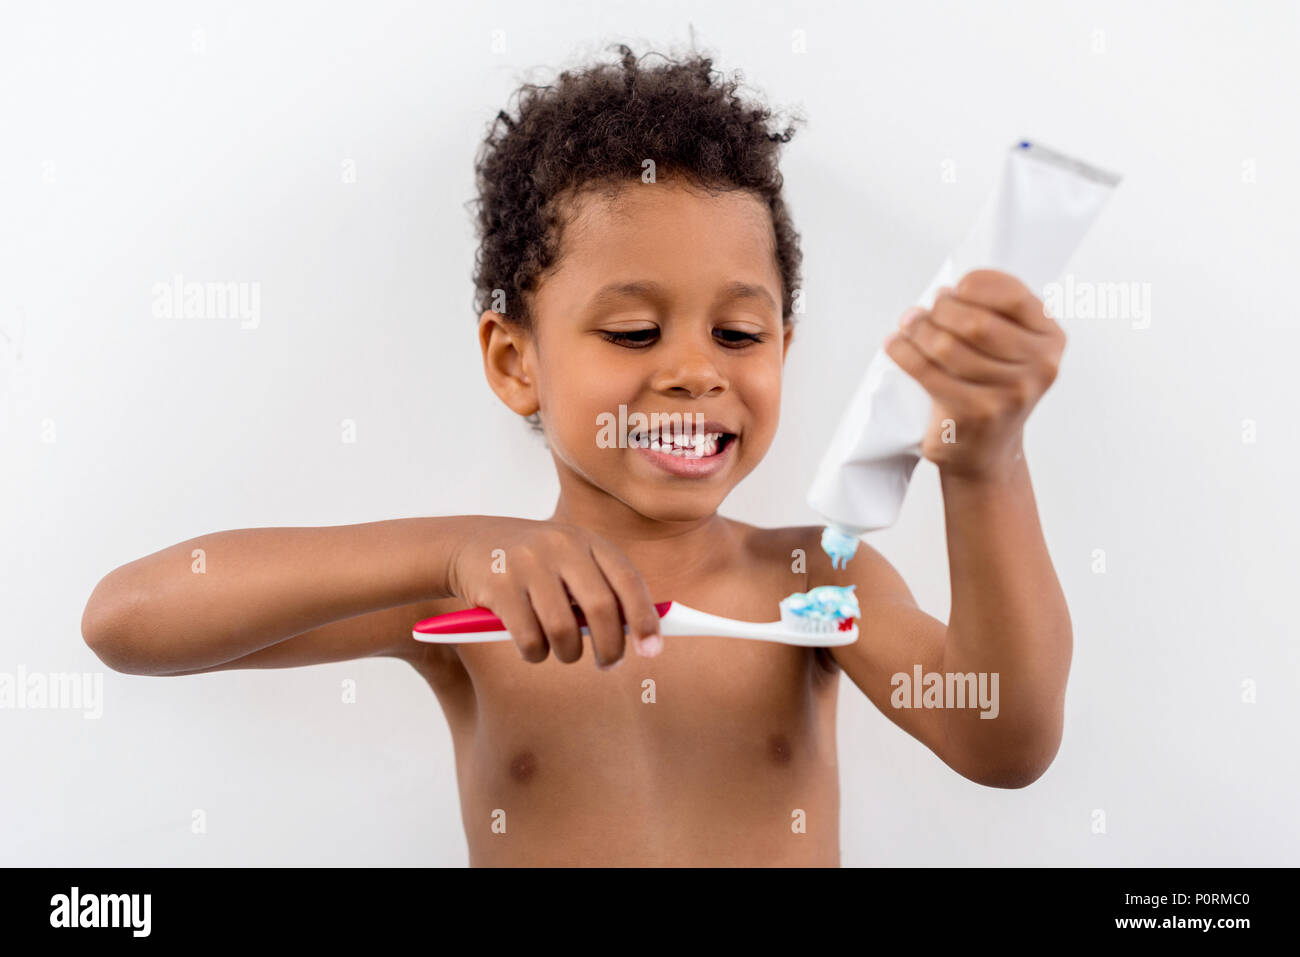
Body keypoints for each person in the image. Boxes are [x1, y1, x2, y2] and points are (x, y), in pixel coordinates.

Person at [82, 45, 1072, 867]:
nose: (693, 370)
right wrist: (453, 550)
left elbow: (1002, 741)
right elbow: (126, 621)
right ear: (516, 362)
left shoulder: (816, 576)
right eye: (635, 332)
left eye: (738, 334)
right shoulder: (465, 604)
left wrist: (986, 471)